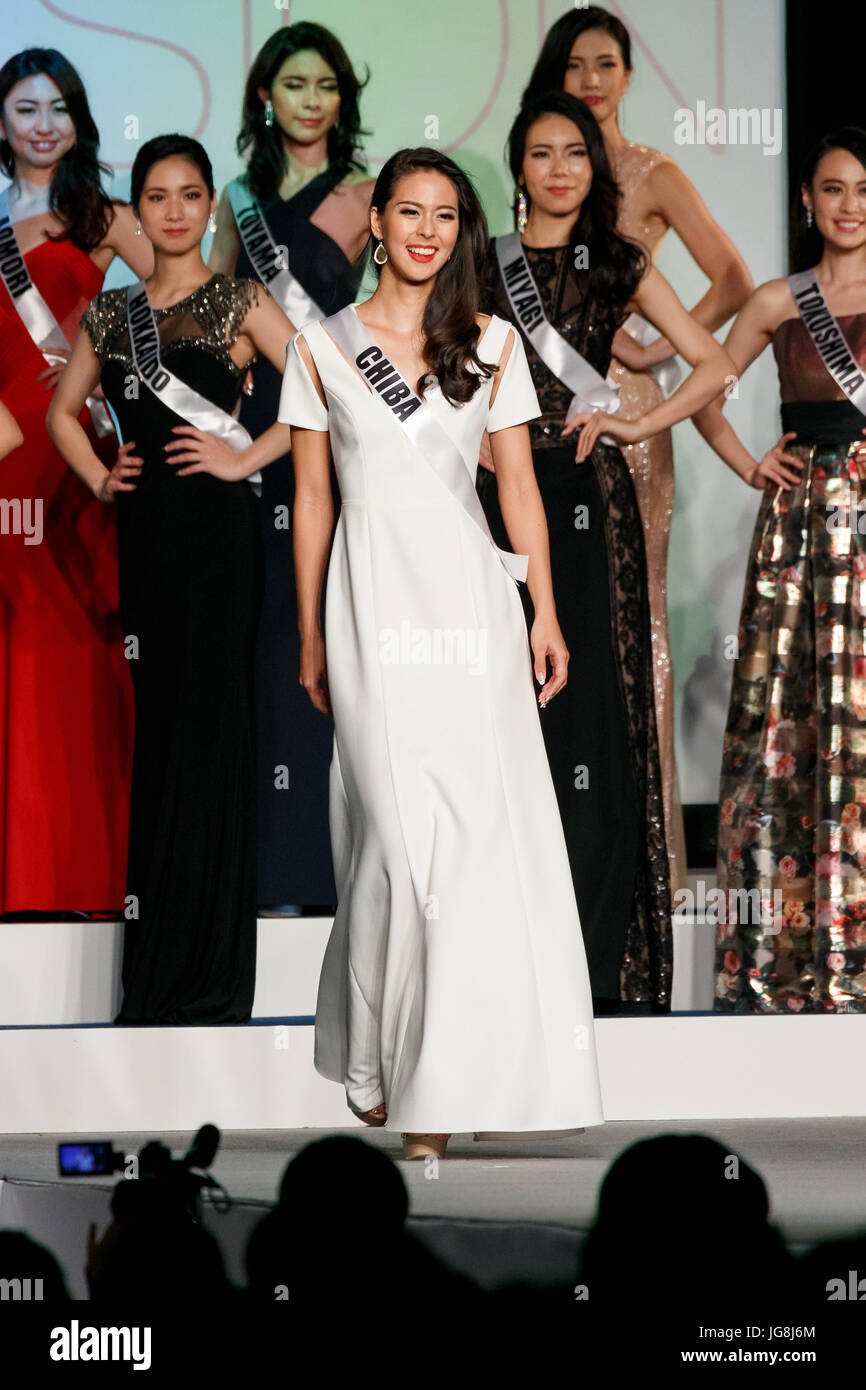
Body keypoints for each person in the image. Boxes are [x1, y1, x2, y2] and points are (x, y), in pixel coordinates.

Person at [279, 145, 605, 1159]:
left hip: (471, 613)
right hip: (370, 605)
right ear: (373, 222)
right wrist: (307, 631)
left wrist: (541, 611)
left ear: (461, 231)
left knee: (465, 857)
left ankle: (432, 1091)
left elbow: (516, 491)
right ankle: (372, 1049)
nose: (425, 229)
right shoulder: (322, 346)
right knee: (387, 841)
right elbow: (314, 497)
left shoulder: (494, 342)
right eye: (406, 210)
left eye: (444, 214)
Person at [477, 92, 734, 1012]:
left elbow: (712, 362)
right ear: (517, 167)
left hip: (587, 498)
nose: (557, 170)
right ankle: (514, 967)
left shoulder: (618, 262)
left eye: (574, 155)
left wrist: (636, 420)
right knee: (507, 719)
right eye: (540, 154)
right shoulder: (479, 262)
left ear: (593, 168)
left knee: (593, 718)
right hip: (495, 498)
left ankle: (599, 965)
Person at [48, 135, 296, 1023]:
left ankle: (214, 979)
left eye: (193, 194)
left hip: (223, 543)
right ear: (137, 209)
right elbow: (59, 412)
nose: (179, 210)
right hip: (149, 541)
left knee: (217, 736)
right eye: (159, 196)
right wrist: (98, 475)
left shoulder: (238, 298)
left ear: (207, 206)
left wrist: (244, 458)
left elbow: (323, 393)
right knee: (161, 741)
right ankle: (156, 976)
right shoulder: (112, 313)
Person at [522, 7, 754, 896]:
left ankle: (642, 867)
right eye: (574, 64)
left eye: (606, 63)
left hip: (627, 416)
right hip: (536, 428)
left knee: (632, 632)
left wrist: (656, 349)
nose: (590, 79)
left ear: (628, 75)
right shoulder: (546, 170)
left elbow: (730, 274)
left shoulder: (649, 173)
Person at [694, 128, 866, 1014]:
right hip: (798, 536)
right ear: (807, 199)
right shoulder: (776, 300)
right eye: (833, 190)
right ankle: (784, 964)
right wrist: (746, 462)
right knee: (789, 730)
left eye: (863, 190)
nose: (848, 206)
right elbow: (705, 392)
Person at [208, 22, 374, 913]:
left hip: (346, 431)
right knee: (275, 637)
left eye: (326, 86)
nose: (311, 100)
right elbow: (224, 312)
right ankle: (278, 870)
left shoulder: (370, 194)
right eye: (294, 84)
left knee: (342, 625)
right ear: (266, 98)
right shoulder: (235, 198)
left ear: (343, 101)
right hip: (262, 434)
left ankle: (353, 868)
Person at [0, 47, 152, 916]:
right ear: (2, 121)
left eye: (59, 107)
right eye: (26, 108)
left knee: (74, 657)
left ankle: (75, 877)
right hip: (3, 448)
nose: (44, 124)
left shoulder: (104, 217)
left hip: (74, 456)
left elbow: (184, 288)